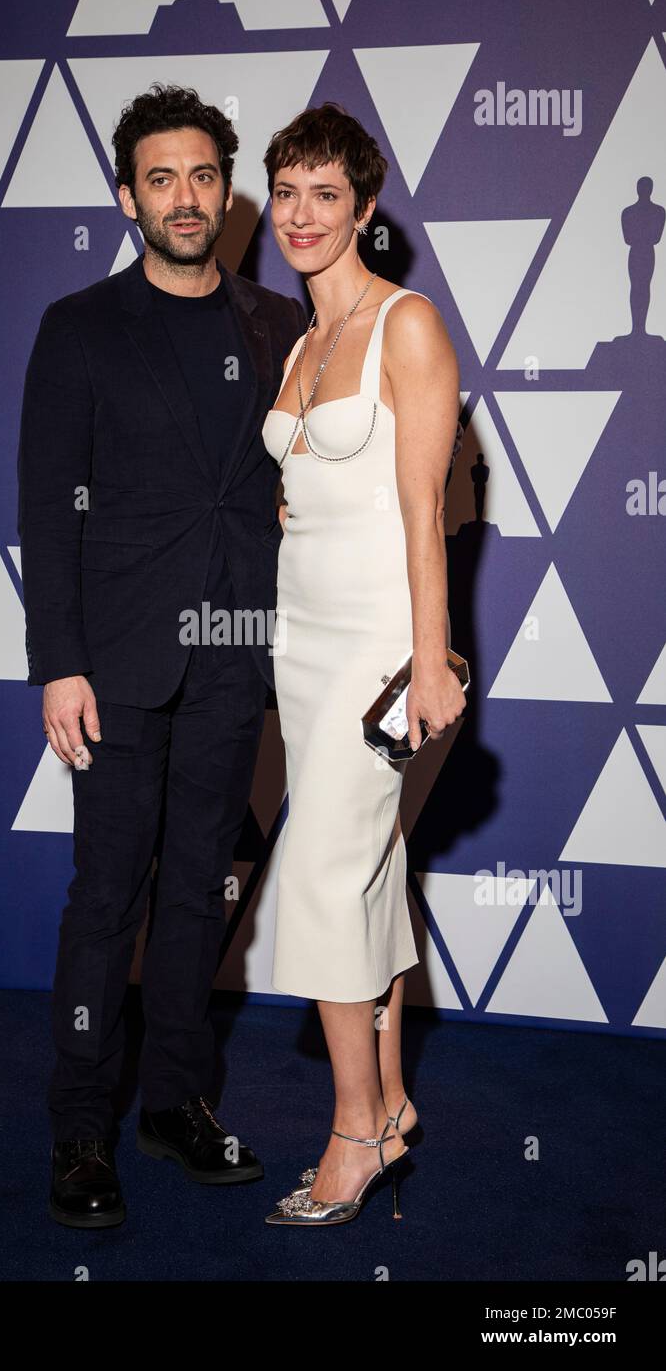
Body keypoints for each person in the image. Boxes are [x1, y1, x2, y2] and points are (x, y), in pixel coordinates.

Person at [16, 83, 307, 1228]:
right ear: (126, 195)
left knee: (197, 891)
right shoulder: (78, 325)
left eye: (201, 176)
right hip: (119, 664)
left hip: (236, 650)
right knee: (105, 900)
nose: (183, 198)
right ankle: (82, 1125)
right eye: (159, 178)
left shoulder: (276, 327)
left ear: (224, 192)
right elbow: (49, 505)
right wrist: (59, 662)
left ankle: (174, 1102)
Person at [260, 103, 466, 1227]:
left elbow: (422, 505)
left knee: (322, 878)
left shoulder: (406, 324)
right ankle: (387, 1106)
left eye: (322, 195)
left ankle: (350, 1136)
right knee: (371, 874)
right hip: (301, 640)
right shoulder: (301, 343)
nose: (298, 215)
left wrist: (428, 658)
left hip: (378, 645)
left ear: (364, 207)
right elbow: (316, 485)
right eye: (284, 192)